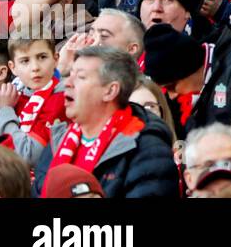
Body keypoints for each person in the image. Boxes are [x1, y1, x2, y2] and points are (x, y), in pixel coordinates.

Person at [33, 46, 179, 198]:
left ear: (110, 91)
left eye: (81, 77)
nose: (67, 83)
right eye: (70, 75)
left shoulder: (147, 147)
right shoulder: (59, 140)